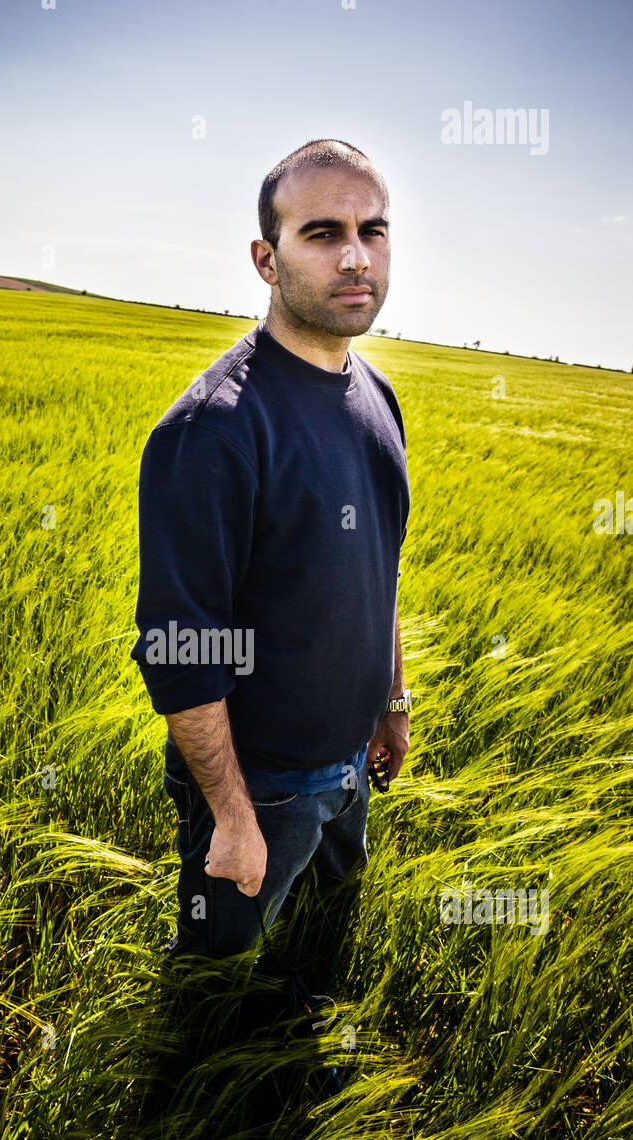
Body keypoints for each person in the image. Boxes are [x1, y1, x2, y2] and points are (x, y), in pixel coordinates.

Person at [131, 138, 411, 992]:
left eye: (374, 229)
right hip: (264, 787)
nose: (356, 254)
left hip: (352, 767)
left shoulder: (376, 394)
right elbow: (182, 650)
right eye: (322, 232)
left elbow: (382, 567)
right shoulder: (213, 429)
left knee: (321, 942)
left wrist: (391, 701)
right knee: (217, 977)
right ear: (266, 258)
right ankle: (194, 1102)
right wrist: (232, 816)